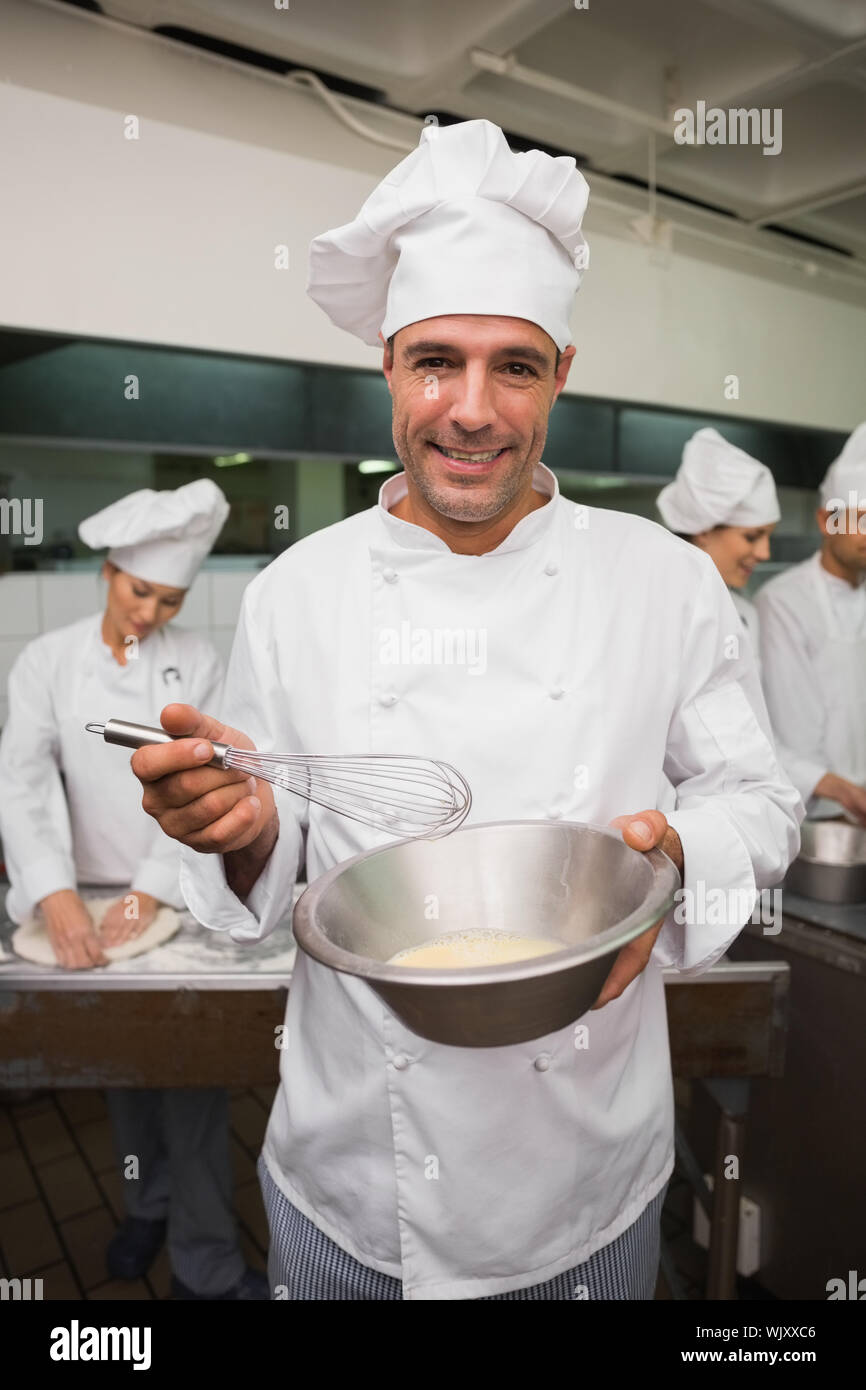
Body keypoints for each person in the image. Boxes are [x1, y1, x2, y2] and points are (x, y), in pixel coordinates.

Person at [130, 120, 802, 1301]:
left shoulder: (662, 580)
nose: (472, 409)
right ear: (388, 368)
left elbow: (760, 801)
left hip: (586, 1183)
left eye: (516, 366)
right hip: (348, 1183)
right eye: (436, 360)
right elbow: (271, 841)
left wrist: (673, 865)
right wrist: (237, 836)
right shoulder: (299, 593)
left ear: (561, 375)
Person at [0, 478, 267, 1300]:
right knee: (123, 1066)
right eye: (141, 590)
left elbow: (206, 784)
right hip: (81, 890)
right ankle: (145, 1207)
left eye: (171, 598)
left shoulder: (201, 663)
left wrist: (151, 893)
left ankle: (206, 1261)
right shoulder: (47, 661)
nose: (152, 612)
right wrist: (53, 893)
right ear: (109, 573)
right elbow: (23, 782)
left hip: (175, 889)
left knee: (187, 1071)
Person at [757, 424, 866, 825]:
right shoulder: (785, 602)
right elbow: (781, 733)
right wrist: (841, 789)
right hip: (810, 814)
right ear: (826, 520)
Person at [656, 428, 780, 669]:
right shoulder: (653, 607)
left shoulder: (745, 613)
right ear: (704, 529)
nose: (765, 553)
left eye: (768, 537)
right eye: (752, 537)